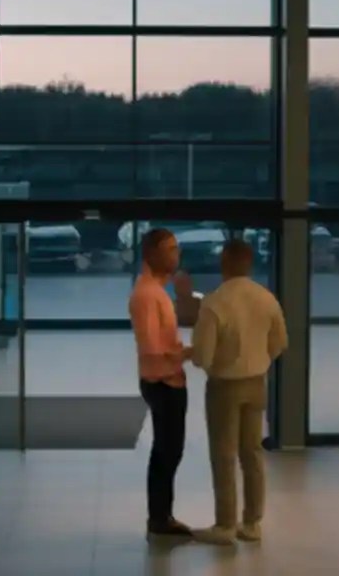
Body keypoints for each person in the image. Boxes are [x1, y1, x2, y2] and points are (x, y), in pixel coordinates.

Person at [188, 239, 288, 545]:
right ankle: (252, 523)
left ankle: (225, 525)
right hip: (257, 383)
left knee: (224, 455)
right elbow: (280, 343)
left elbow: (202, 356)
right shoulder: (266, 298)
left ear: (224, 263)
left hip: (224, 387)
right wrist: (259, 359)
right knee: (252, 453)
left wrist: (208, 362)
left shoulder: (215, 303)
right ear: (250, 263)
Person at [130, 227, 195, 538]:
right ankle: (159, 518)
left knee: (170, 451)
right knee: (166, 452)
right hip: (163, 383)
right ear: (151, 253)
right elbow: (153, 350)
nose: (176, 254)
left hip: (168, 381)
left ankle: (161, 516)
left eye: (176, 248)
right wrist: (190, 353)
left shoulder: (157, 291)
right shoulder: (147, 295)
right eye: (170, 249)